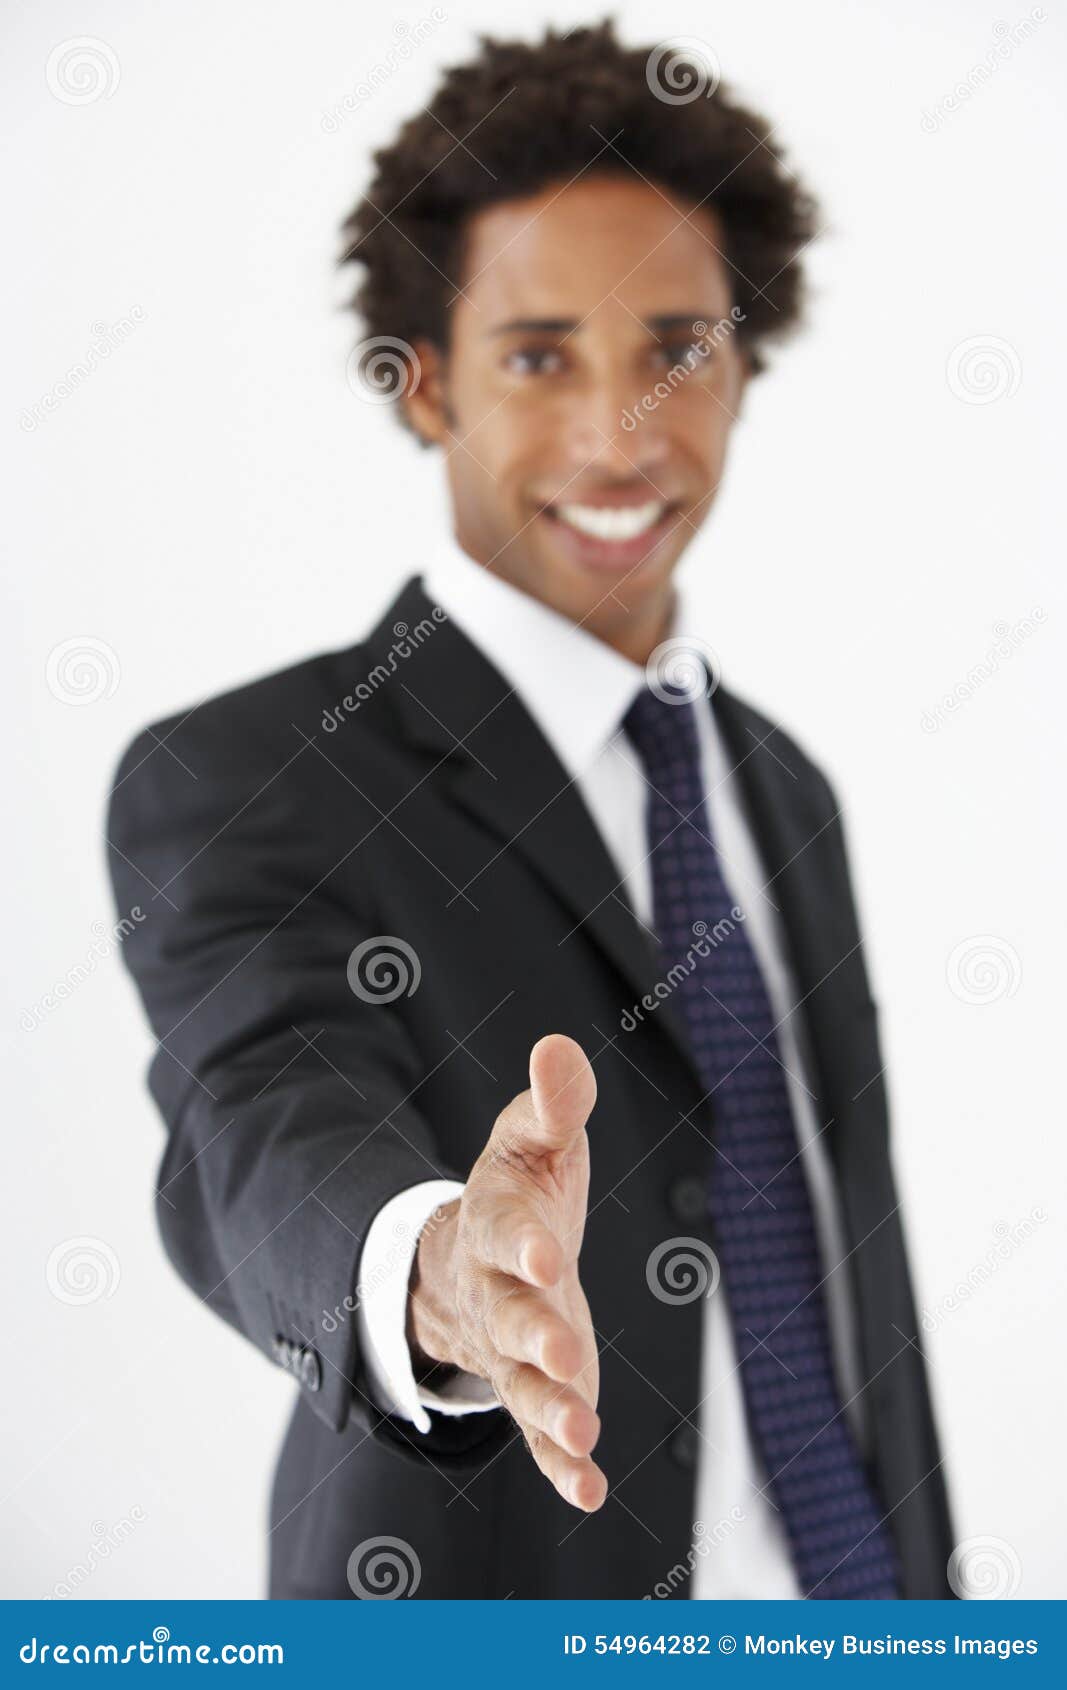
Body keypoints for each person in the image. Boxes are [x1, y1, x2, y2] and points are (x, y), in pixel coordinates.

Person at [106, 21, 954, 1599]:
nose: (622, 435)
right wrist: (437, 1273)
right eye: (540, 353)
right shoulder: (252, 773)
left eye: (679, 347)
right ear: (425, 387)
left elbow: (853, 1270)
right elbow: (263, 1116)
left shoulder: (786, 790)